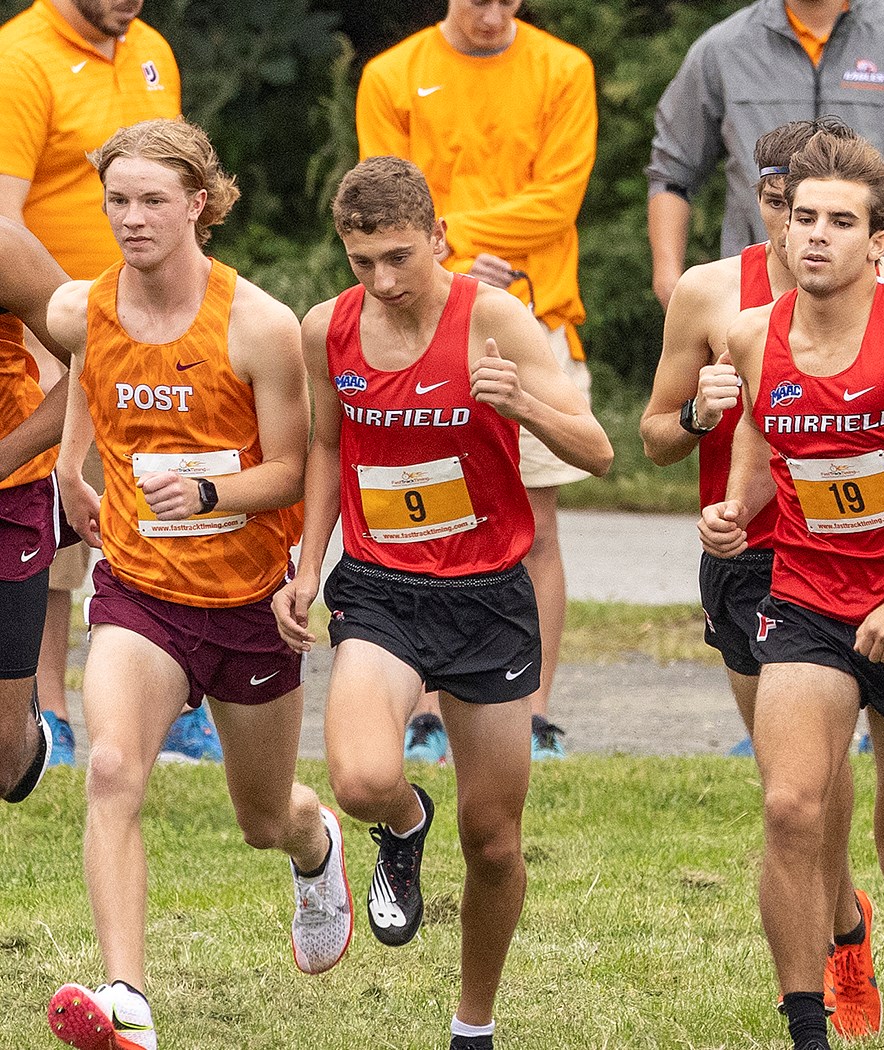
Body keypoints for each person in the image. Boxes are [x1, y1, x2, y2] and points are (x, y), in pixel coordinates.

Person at [640, 115, 884, 1038]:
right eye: (803, 218)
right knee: (793, 807)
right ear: (781, 226)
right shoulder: (749, 334)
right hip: (805, 602)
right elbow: (760, 435)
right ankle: (806, 1024)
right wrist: (734, 512)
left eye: (839, 222)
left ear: (880, 243)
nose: (816, 236)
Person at [273, 155, 612, 1050]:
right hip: (381, 589)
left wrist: (527, 403)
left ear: (438, 239)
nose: (381, 281)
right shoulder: (326, 330)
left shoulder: (493, 318)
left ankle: (474, 1023)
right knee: (362, 779)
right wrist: (307, 565)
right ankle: (402, 825)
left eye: (398, 257)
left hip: (489, 595)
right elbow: (323, 447)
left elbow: (600, 450)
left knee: (495, 838)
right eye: (361, 262)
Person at [39, 119, 344, 1050]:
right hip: (138, 590)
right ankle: (127, 999)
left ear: (199, 206)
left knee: (261, 816)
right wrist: (70, 465)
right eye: (117, 200)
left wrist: (210, 490)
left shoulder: (256, 325)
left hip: (246, 600)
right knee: (111, 768)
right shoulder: (75, 305)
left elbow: (295, 471)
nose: (131, 219)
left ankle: (316, 843)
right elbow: (90, 369)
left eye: (153, 201)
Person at [357, 0, 600, 761]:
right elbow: (381, 198)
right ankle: (430, 709)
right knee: (428, 511)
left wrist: (450, 239)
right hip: (416, 318)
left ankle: (535, 712)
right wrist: (442, 263)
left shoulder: (565, 67)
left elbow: (558, 200)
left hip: (535, 312)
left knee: (537, 524)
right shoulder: (392, 73)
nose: (494, 12)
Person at [0, 0, 215, 765]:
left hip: (169, 326)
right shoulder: (21, 57)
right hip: (58, 329)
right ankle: (50, 711)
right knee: (64, 532)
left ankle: (180, 699)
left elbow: (182, 188)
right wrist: (46, 349)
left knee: (167, 505)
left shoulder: (152, 46)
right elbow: (4, 214)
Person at [646, 0, 884, 301]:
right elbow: (672, 175)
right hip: (754, 300)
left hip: (879, 298)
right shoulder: (722, 49)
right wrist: (669, 281)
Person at [0, 217, 80, 804]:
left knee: (6, 766)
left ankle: (24, 724)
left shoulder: (5, 247)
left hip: (10, 495)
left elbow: (96, 361)